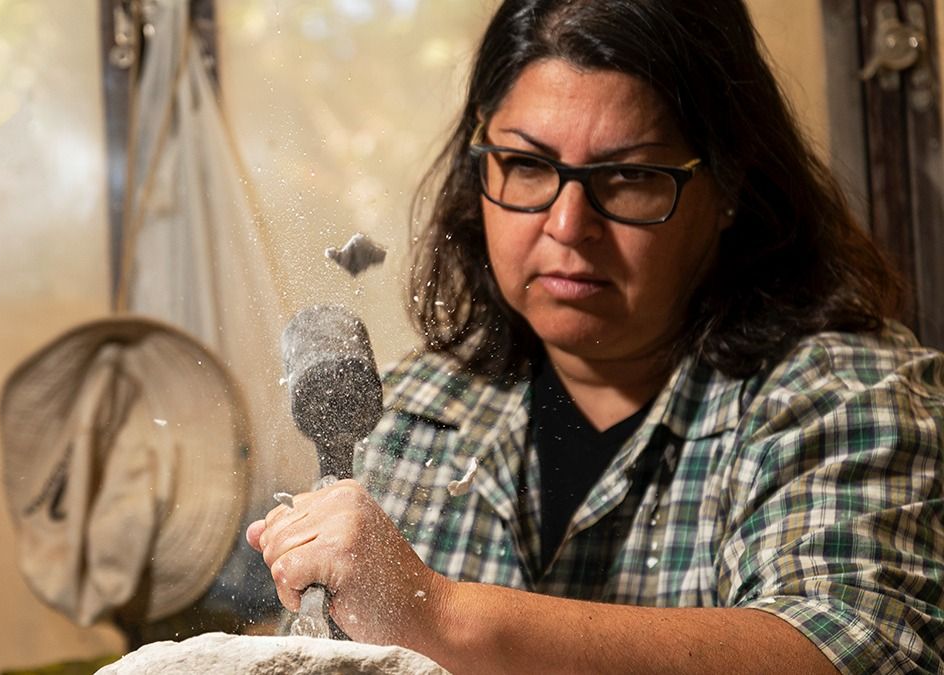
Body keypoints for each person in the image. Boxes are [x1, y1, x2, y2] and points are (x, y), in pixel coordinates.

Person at [246, 0, 944, 672]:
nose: (568, 225)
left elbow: (855, 647)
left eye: (630, 176)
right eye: (526, 166)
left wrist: (440, 613)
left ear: (729, 184)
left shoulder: (846, 398)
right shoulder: (413, 412)